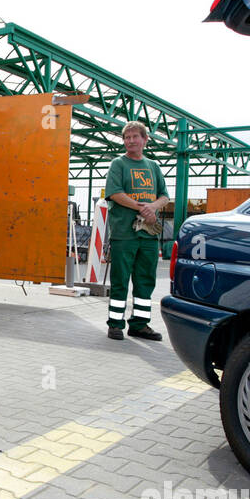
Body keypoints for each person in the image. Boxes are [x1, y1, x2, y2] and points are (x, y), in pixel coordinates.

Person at [104, 122, 170, 341]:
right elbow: (115, 193)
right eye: (126, 137)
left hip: (148, 234)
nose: (130, 141)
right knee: (120, 279)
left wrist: (153, 207)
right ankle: (115, 324)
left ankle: (140, 325)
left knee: (145, 280)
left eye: (134, 137)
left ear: (144, 140)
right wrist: (142, 207)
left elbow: (164, 196)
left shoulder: (153, 167)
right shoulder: (118, 164)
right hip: (125, 233)